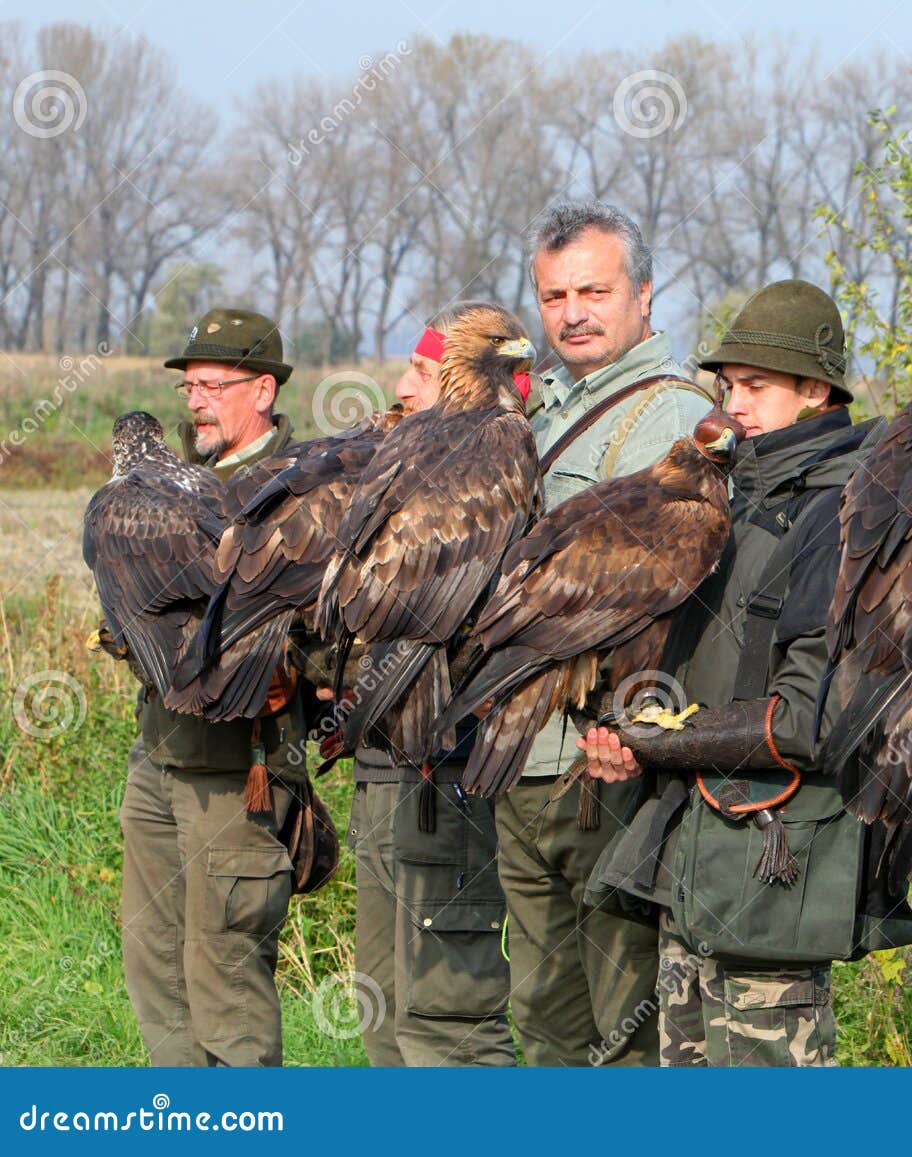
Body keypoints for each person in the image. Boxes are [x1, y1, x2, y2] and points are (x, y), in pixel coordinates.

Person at [578, 279, 912, 1067]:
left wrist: (660, 739)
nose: (736, 406)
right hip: (696, 845)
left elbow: (814, 716)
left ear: (815, 390)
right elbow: (687, 664)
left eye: (757, 387)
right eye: (729, 386)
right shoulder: (731, 495)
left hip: (778, 861)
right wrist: (620, 730)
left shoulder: (847, 510)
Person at [495, 200, 711, 1065]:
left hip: (606, 763)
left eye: (594, 289)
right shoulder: (537, 412)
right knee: (545, 1019)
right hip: (520, 752)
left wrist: (626, 724)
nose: (573, 313)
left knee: (625, 1027)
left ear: (644, 294)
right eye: (554, 296)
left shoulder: (675, 419)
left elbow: (683, 609)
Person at [119, 307, 306, 1065]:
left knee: (224, 979)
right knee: (154, 968)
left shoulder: (300, 488)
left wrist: (289, 667)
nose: (193, 400)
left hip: (240, 773)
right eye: (188, 384)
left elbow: (334, 627)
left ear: (262, 389)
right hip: (158, 757)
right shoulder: (178, 484)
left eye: (211, 384)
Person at [341, 303, 520, 1066]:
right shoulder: (499, 439)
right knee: (401, 1000)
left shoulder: (452, 434)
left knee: (443, 1006)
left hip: (439, 724)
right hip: (413, 681)